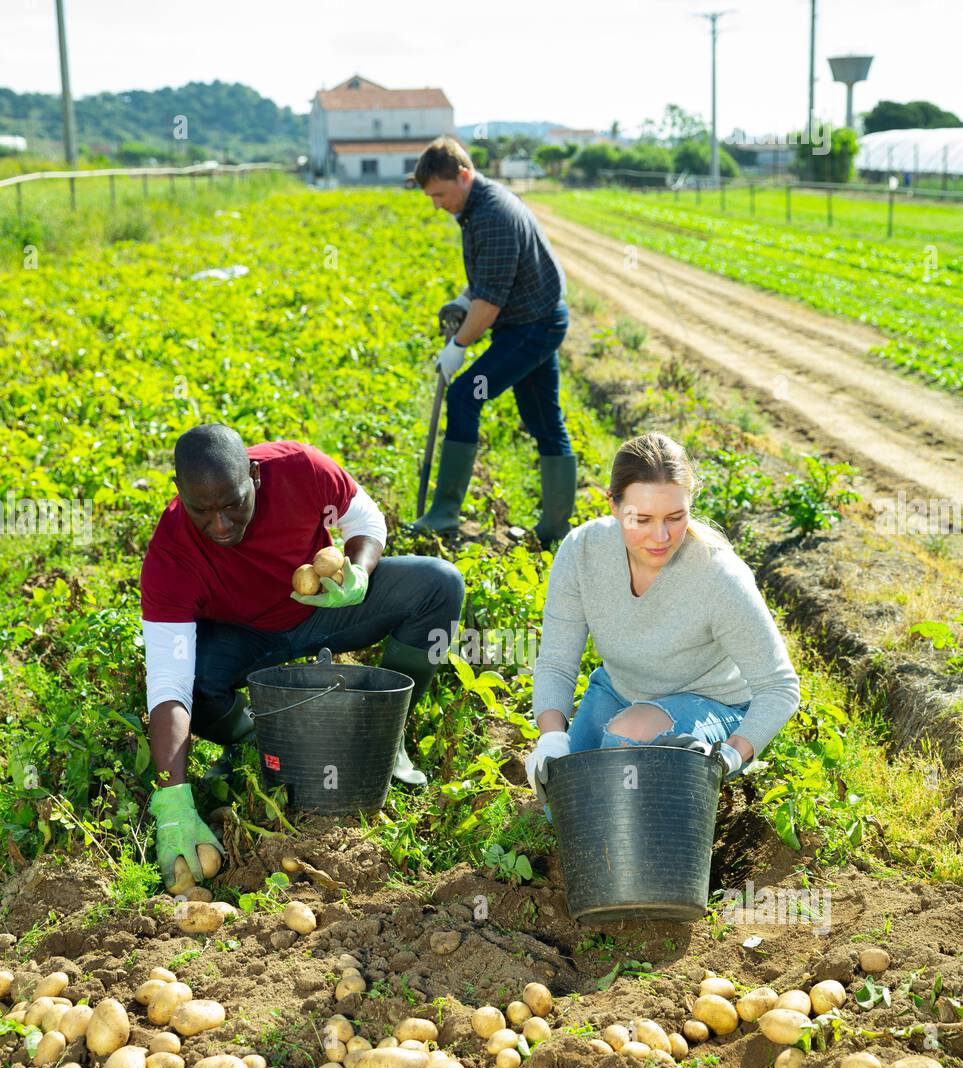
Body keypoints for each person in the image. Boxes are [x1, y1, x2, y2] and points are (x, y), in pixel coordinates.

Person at [140, 424, 464, 892]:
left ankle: (386, 736)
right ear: (179, 492)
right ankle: (266, 744)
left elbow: (366, 521)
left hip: (322, 609)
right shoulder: (170, 554)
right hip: (243, 639)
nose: (222, 525)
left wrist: (358, 573)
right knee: (195, 685)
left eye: (233, 504)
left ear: (252, 475)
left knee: (439, 584)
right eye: (202, 511)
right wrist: (171, 799)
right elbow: (168, 687)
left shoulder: (298, 468)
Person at [525, 432, 800, 795]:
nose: (661, 537)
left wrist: (731, 756)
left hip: (711, 703)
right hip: (621, 690)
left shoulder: (718, 576)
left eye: (675, 517)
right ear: (613, 504)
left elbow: (779, 687)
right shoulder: (583, 552)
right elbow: (558, 662)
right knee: (565, 797)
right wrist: (551, 740)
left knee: (627, 754)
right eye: (641, 519)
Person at [411, 136, 577, 545]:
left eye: (439, 193)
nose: (436, 204)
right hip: (532, 319)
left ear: (463, 176)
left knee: (466, 394)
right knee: (542, 417)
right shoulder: (476, 207)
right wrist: (463, 299)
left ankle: (444, 513)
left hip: (533, 326)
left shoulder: (492, 216)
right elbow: (487, 283)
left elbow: (489, 306)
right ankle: (555, 528)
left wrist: (457, 349)